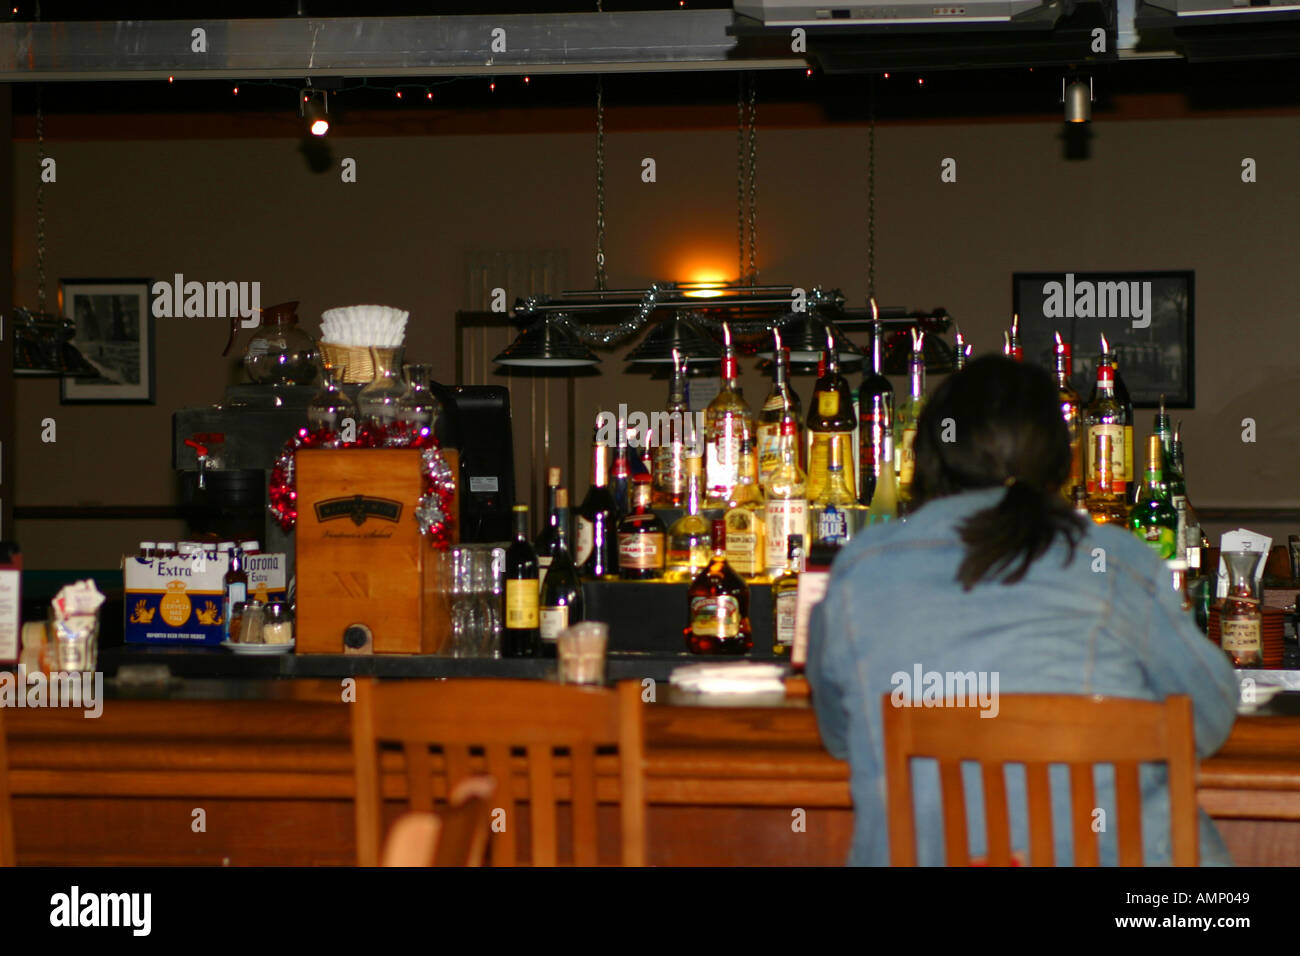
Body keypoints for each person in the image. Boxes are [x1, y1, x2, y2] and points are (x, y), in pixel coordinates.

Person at [807, 355, 1238, 866]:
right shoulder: (1116, 563)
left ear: (924, 457)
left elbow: (838, 732)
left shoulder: (860, 570)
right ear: (1061, 460)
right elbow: (1208, 718)